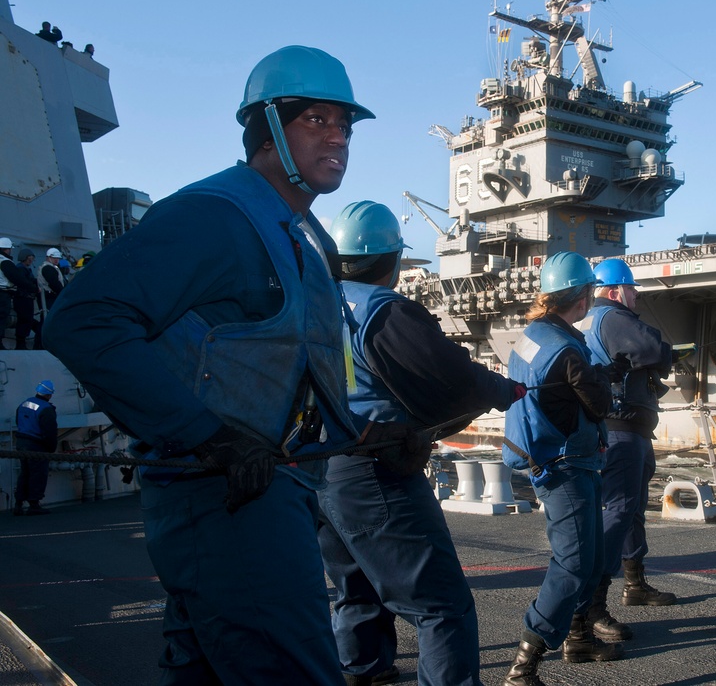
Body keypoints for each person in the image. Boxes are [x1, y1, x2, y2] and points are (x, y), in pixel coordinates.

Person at [44, 46, 420, 685]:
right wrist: (205, 435)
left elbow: (289, 368)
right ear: (268, 128)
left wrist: (363, 437)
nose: (338, 136)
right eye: (316, 120)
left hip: (268, 489)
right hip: (226, 500)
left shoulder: (301, 234)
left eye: (345, 125)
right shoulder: (214, 216)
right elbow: (83, 320)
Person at [317, 201, 527, 686]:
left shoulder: (321, 302)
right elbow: (454, 382)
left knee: (355, 587)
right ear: (392, 260)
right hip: (378, 470)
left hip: (324, 469)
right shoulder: (386, 311)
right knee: (442, 607)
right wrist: (502, 389)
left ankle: (362, 671)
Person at [500, 251, 622, 686]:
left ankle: (578, 638)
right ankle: (524, 665)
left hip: (546, 457)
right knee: (573, 564)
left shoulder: (532, 336)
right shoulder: (569, 349)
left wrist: (594, 374)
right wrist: (607, 377)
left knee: (588, 560)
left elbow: (553, 388)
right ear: (583, 298)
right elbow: (599, 403)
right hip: (567, 464)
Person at [578, 258, 686, 643]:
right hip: (622, 430)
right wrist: (671, 353)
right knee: (622, 509)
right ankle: (593, 602)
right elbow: (652, 347)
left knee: (631, 509)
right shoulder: (611, 315)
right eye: (631, 287)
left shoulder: (592, 319)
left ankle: (635, 583)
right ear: (613, 291)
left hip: (625, 428)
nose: (636, 294)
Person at [13, 381, 58, 516]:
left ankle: (18, 504)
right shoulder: (46, 409)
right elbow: (50, 431)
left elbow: (18, 421)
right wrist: (51, 448)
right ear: (49, 395)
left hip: (21, 443)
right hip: (36, 445)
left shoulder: (23, 404)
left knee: (24, 473)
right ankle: (34, 504)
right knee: (38, 473)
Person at [11, 249, 41, 349]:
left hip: (26, 298)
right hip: (23, 298)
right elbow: (24, 283)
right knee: (24, 320)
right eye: (29, 259)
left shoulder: (25, 269)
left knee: (27, 320)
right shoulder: (21, 269)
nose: (31, 261)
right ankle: (20, 344)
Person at [0, 238, 17, 349]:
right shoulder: (5, 261)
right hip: (3, 293)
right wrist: (32, 287)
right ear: (7, 249)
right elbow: (15, 277)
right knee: (2, 317)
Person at [38, 247, 66, 315]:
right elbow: (54, 284)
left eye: (58, 258)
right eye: (54, 258)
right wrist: (64, 293)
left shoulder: (53, 267)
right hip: (49, 297)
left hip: (51, 297)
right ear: (49, 257)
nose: (56, 260)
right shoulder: (48, 268)